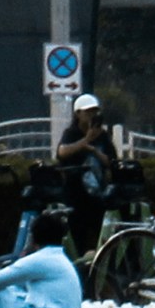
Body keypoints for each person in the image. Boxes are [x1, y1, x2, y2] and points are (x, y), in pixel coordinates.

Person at [54, 93, 119, 248]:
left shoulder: (102, 135)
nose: (92, 115)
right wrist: (86, 141)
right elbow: (62, 152)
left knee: (100, 234)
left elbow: (111, 161)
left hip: (98, 193)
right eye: (87, 112)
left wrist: (95, 151)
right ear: (78, 114)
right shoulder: (71, 133)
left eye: (95, 111)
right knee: (77, 235)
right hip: (75, 193)